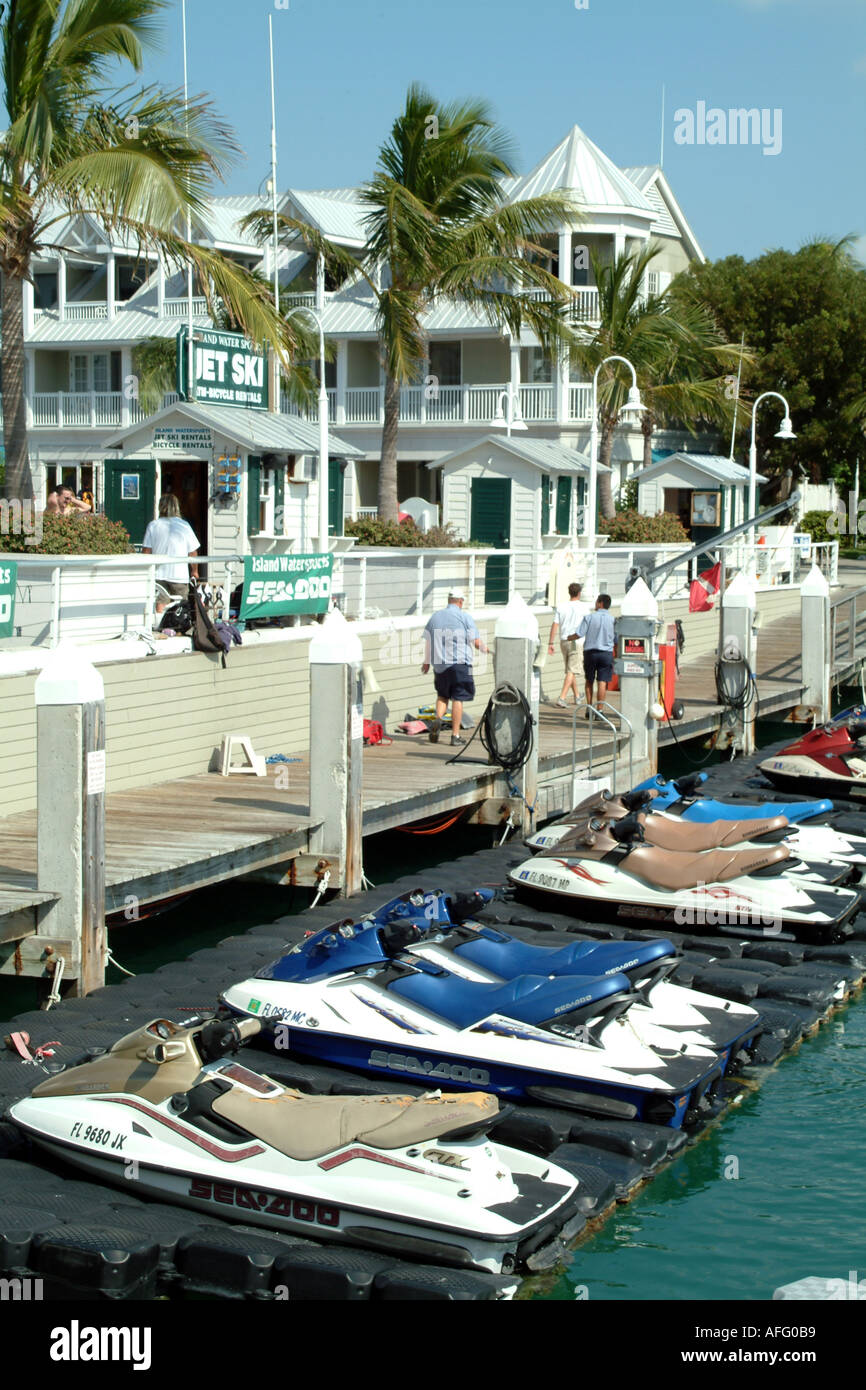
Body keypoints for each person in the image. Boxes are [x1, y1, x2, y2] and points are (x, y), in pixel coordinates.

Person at [421, 589, 489, 747]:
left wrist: (426, 662)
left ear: (449, 600)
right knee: (458, 698)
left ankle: (438, 718)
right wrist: (485, 649)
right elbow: (476, 641)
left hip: (439, 665)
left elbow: (428, 642)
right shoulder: (464, 617)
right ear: (460, 601)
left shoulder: (435, 617)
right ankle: (455, 735)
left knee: (443, 695)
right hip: (459, 663)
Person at [142, 493, 200, 596]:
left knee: (160, 607)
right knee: (180, 607)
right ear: (176, 507)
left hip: (158, 575)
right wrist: (194, 571)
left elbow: (146, 552)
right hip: (179, 576)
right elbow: (192, 552)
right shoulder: (184, 525)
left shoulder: (153, 525)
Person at [547, 581, 589, 707]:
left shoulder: (561, 606)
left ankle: (577, 696)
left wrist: (550, 642)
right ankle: (562, 698)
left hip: (564, 641)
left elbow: (555, 624)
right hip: (575, 641)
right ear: (579, 593)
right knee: (572, 670)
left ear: (569, 592)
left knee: (570, 669)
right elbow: (588, 625)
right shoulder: (584, 607)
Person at [575, 593, 615, 715]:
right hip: (606, 653)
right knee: (602, 682)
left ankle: (589, 708)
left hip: (590, 653)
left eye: (596, 601)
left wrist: (568, 637)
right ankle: (600, 710)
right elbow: (616, 639)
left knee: (589, 680)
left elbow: (579, 633)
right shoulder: (613, 620)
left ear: (600, 603)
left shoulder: (589, 617)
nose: (595, 604)